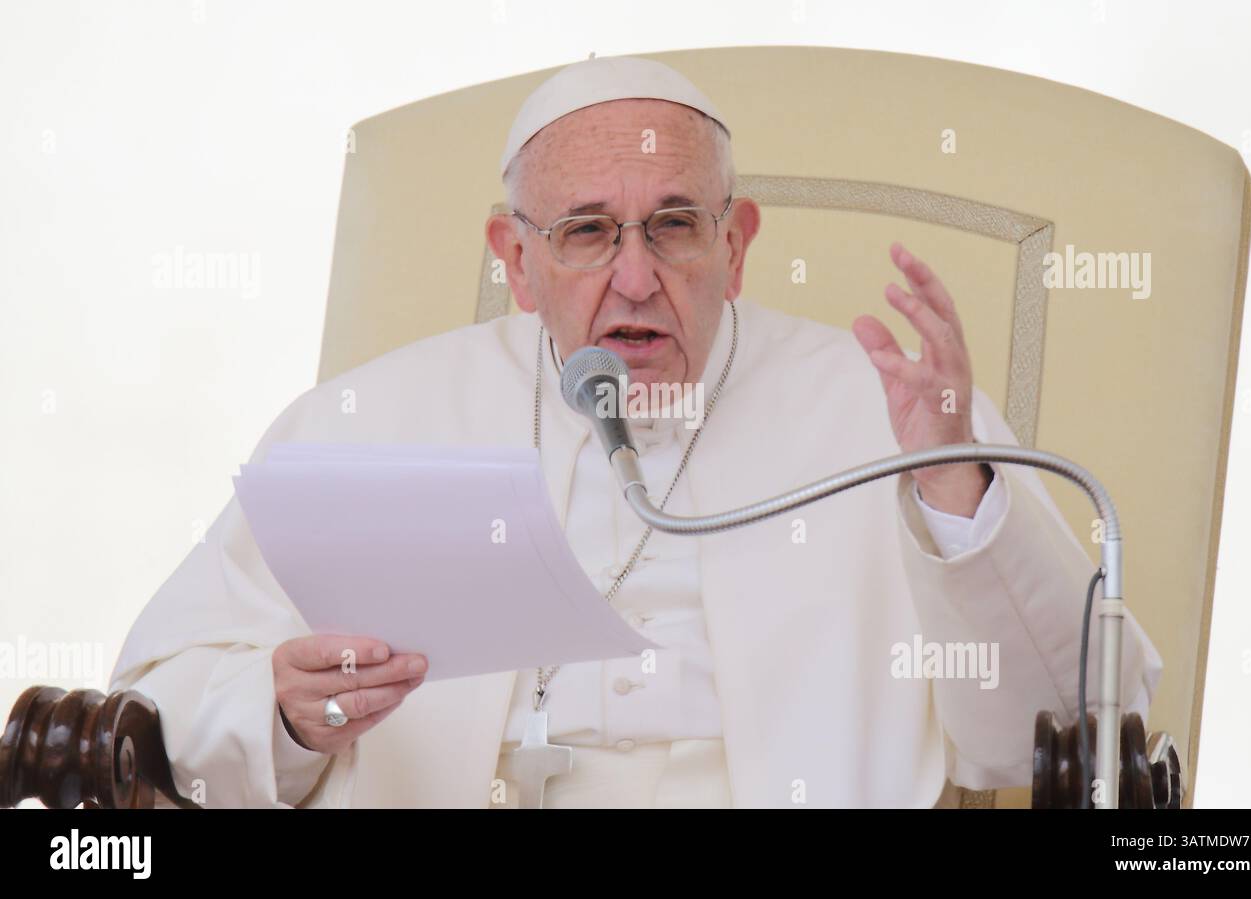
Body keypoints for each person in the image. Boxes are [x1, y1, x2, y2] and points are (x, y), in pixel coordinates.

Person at [111, 56, 1161, 808]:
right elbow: (158, 708)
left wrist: (956, 488)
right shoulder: (368, 422)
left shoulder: (891, 408)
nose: (634, 277)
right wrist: (286, 715)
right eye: (584, 232)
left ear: (736, 242)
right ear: (514, 260)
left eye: (672, 224)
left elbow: (1057, 725)